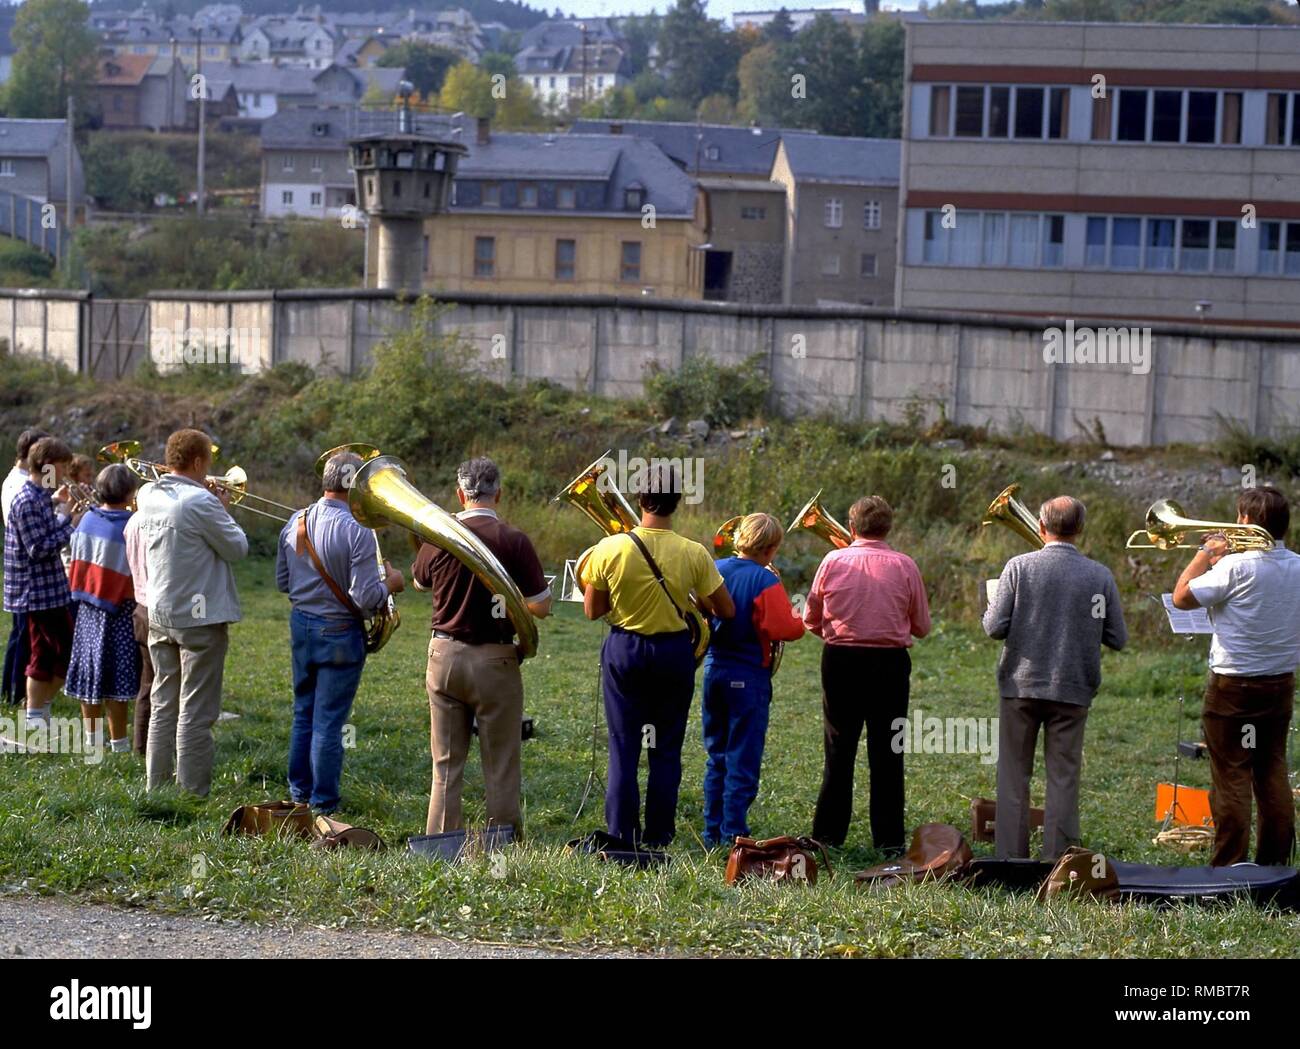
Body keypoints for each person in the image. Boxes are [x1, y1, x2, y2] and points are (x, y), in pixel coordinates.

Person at [583, 463, 735, 848]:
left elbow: (592, 610)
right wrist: (696, 599)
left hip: (624, 649)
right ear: (677, 503)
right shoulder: (694, 552)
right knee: (665, 747)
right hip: (672, 652)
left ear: (639, 499)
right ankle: (659, 835)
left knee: (623, 746)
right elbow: (726, 610)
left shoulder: (610, 547)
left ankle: (622, 832)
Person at [982, 495, 1127, 861]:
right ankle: (1058, 861)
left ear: (1041, 528)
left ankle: (1011, 861)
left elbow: (994, 627)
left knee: (1014, 776)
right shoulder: (1100, 575)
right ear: (1080, 529)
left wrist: (991, 601)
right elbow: (1118, 638)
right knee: (1063, 777)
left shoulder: (1018, 567)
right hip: (1073, 687)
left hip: (1020, 685)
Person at [412, 457, 550, 836]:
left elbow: (421, 583)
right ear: (499, 494)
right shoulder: (514, 540)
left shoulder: (438, 533)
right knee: (501, 762)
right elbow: (542, 605)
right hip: (496, 660)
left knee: (445, 764)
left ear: (460, 493)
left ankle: (440, 846)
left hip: (445, 656)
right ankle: (500, 849)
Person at [1172, 486, 1300, 867]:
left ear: (1246, 521)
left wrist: (1204, 555)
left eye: (1238, 517)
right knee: (1272, 770)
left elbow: (1181, 597)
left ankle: (1228, 866)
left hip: (1234, 686)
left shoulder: (1234, 566)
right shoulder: (1297, 565)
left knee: (1231, 776)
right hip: (1279, 683)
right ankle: (1275, 865)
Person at [276, 451, 405, 814]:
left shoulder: (294, 521)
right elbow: (366, 598)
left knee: (304, 712)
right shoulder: (359, 530)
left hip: (301, 625)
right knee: (329, 722)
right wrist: (391, 584)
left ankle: (299, 794)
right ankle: (323, 805)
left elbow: (282, 581)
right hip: (339, 632)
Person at [804, 495, 930, 853]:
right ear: (889, 528)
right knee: (889, 752)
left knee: (838, 749)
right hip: (889, 665)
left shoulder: (832, 560)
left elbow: (811, 618)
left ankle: (827, 837)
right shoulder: (906, 565)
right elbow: (921, 626)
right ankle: (889, 841)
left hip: (841, 660)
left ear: (852, 526)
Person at [135, 429, 247, 796]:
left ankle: (157, 786)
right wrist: (223, 508)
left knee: (163, 703)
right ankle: (192, 793)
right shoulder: (200, 502)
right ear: (198, 462)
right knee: (196, 710)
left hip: (160, 612)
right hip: (198, 619)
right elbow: (237, 548)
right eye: (206, 465)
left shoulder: (147, 493)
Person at [701, 512, 805, 847]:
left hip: (714, 670)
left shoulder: (715, 570)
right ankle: (734, 832)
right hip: (748, 675)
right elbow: (786, 629)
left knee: (716, 754)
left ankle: (711, 830)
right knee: (742, 758)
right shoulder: (765, 580)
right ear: (771, 547)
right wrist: (800, 617)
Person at [2, 437, 81, 733]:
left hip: (45, 590)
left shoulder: (38, 497)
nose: (63, 473)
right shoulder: (26, 501)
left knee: (43, 653)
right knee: (67, 650)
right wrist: (71, 524)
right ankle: (36, 710)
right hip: (37, 593)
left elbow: (45, 528)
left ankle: (37, 713)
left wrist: (60, 508)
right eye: (61, 467)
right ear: (47, 467)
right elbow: (38, 548)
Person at [65, 464, 140, 754]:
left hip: (87, 609)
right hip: (120, 611)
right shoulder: (130, 526)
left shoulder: (86, 520)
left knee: (90, 675)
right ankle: (119, 742)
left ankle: (92, 742)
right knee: (116, 680)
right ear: (130, 493)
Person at [2, 428, 51, 708]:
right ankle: (15, 692)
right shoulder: (19, 486)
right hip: (25, 573)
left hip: (22, 570)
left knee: (20, 635)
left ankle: (13, 691)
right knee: (23, 636)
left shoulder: (20, 481)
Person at [122, 508, 153, 756]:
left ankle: (140, 747)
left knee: (147, 683)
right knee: (168, 686)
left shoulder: (132, 521)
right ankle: (164, 748)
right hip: (159, 609)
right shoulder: (160, 522)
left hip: (140, 606)